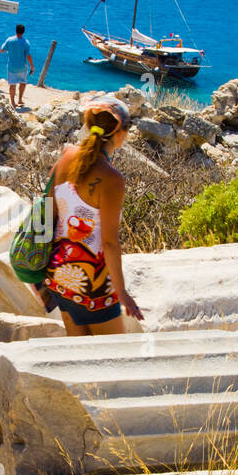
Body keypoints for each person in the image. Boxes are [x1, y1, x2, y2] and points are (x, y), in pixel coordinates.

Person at [35, 96, 144, 336]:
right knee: (111, 360)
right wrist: (122, 293)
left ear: (88, 126)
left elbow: (46, 214)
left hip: (59, 277)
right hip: (93, 286)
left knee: (80, 357)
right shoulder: (112, 179)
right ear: (121, 133)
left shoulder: (65, 158)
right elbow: (109, 242)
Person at [0, 23, 35, 107]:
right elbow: (28, 55)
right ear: (23, 32)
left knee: (12, 84)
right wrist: (32, 66)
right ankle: (20, 99)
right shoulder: (26, 42)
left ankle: (12, 102)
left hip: (11, 67)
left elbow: (2, 50)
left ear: (16, 30)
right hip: (22, 67)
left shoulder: (10, 40)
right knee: (23, 82)